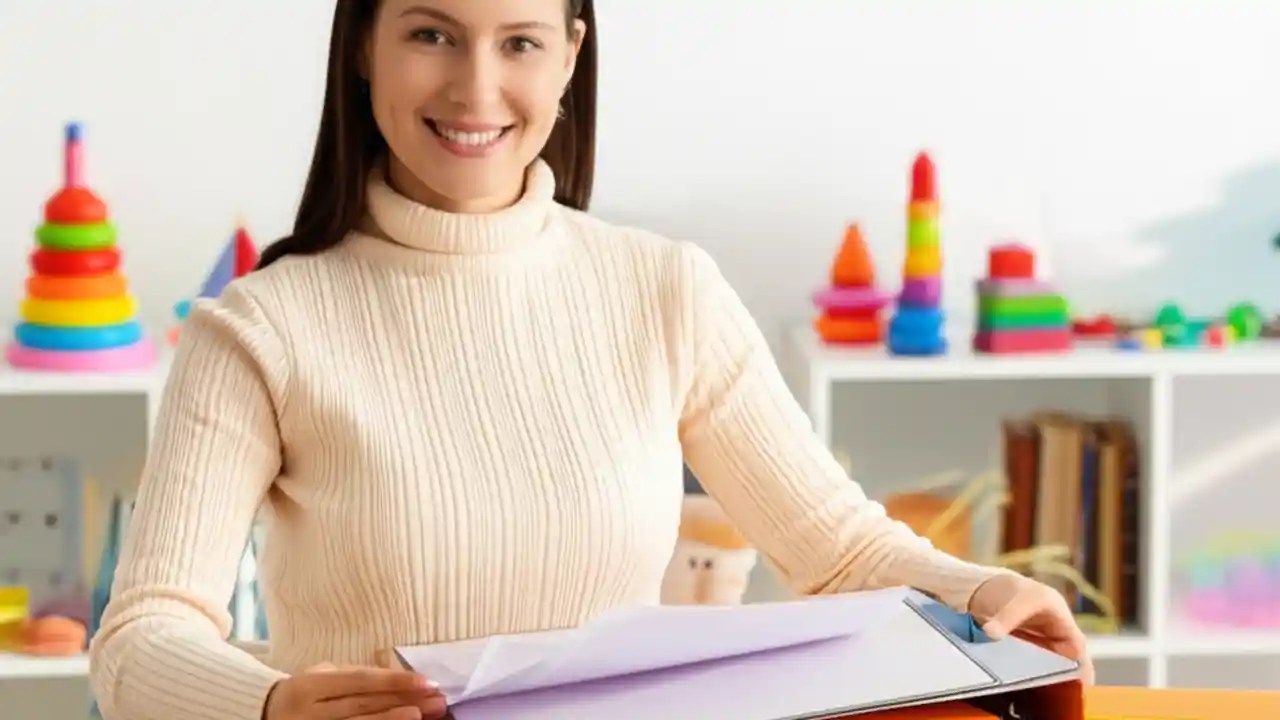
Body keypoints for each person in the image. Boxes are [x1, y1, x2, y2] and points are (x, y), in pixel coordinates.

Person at [88, 1, 1093, 718]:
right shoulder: (258, 330)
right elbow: (139, 638)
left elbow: (833, 549)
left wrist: (979, 594)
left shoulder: (663, 289)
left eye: (517, 41)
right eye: (430, 33)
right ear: (363, 45)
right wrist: (268, 705)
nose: (474, 88)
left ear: (569, 55)